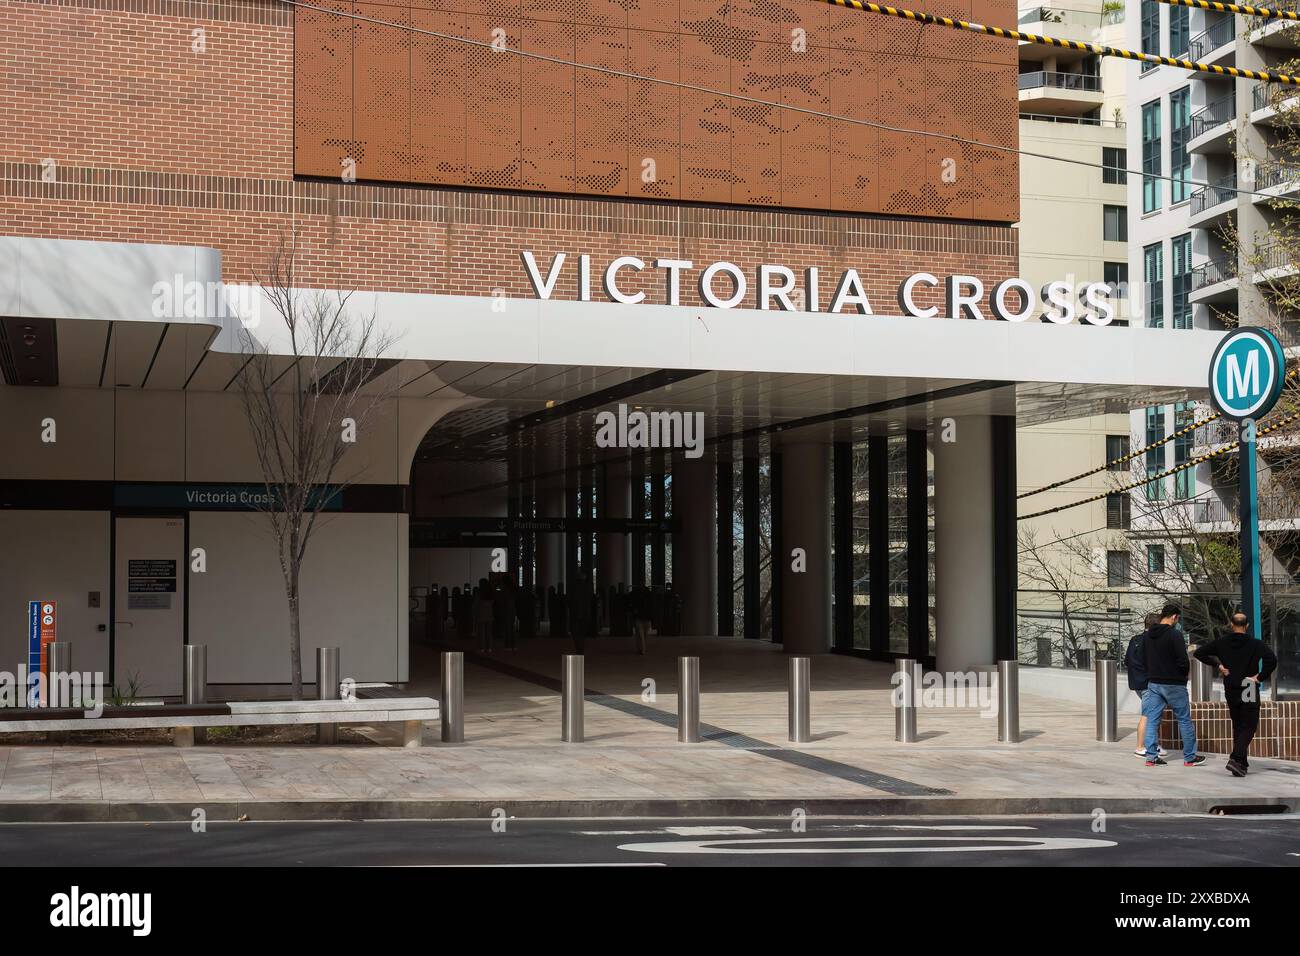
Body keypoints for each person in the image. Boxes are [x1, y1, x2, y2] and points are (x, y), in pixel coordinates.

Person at [1194, 612, 1278, 777]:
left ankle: (1241, 764)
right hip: (1248, 685)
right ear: (1247, 626)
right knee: (1249, 725)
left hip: (1231, 685)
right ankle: (1236, 758)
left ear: (1231, 625)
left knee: (1238, 724)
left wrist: (1218, 666)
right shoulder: (1255, 643)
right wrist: (1259, 677)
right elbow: (1272, 660)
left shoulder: (1221, 642)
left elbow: (1199, 653)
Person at [1141, 602, 1205, 767]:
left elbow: (1143, 657)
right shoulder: (1175, 635)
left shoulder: (1147, 635)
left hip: (1154, 682)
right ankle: (1189, 757)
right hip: (1174, 683)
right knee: (1184, 719)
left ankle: (1151, 757)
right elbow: (1183, 660)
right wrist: (1183, 676)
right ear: (1175, 617)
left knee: (1152, 720)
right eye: (1177, 618)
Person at [1124, 612, 1167, 759]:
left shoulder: (1134, 639)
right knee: (1147, 715)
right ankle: (1140, 747)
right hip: (1148, 683)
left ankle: (1152, 745)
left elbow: (1126, 661)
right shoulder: (1151, 641)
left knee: (1152, 714)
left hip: (1136, 682)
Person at [630, 584, 651, 655]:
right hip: (639, 617)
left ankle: (640, 647)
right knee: (640, 634)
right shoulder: (635, 595)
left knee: (643, 635)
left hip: (645, 617)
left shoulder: (648, 595)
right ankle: (642, 649)